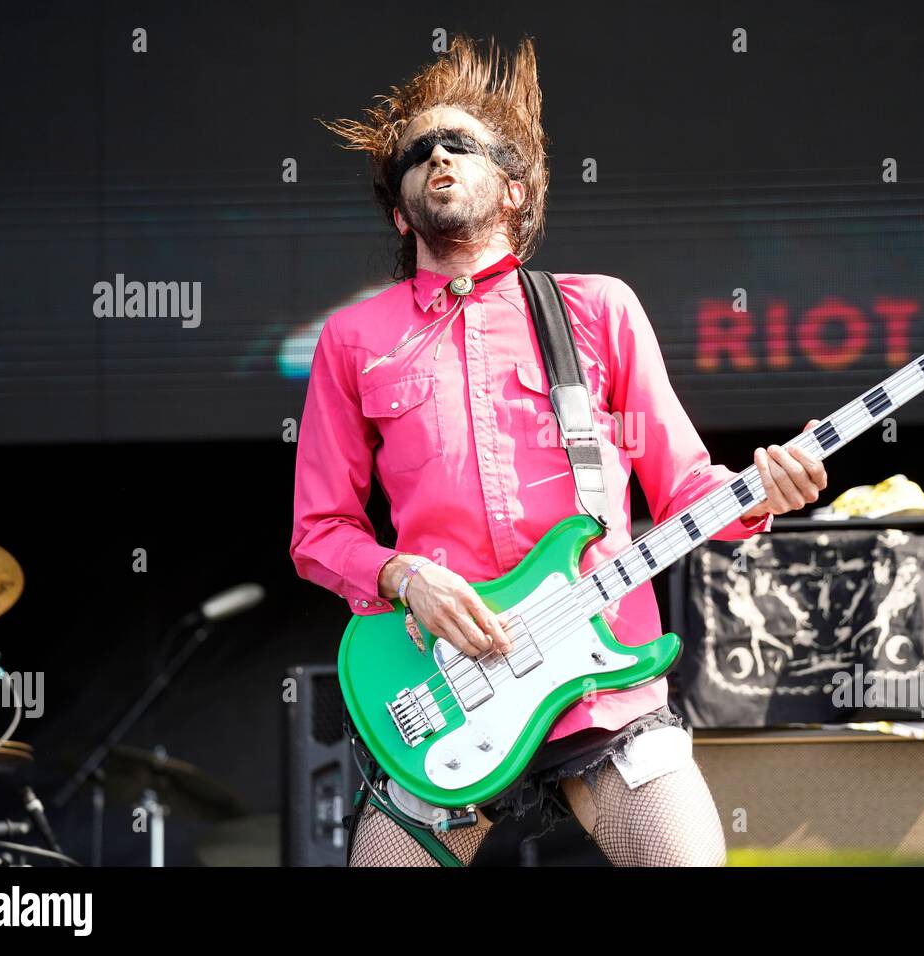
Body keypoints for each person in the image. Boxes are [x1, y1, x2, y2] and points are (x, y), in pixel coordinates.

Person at [290, 35, 826, 866]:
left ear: (513, 190)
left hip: (601, 684)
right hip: (443, 689)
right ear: (400, 211)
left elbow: (684, 485)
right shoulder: (354, 339)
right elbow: (319, 533)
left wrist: (760, 493)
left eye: (459, 145)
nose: (436, 156)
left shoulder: (597, 309)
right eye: (417, 153)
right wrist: (407, 577)